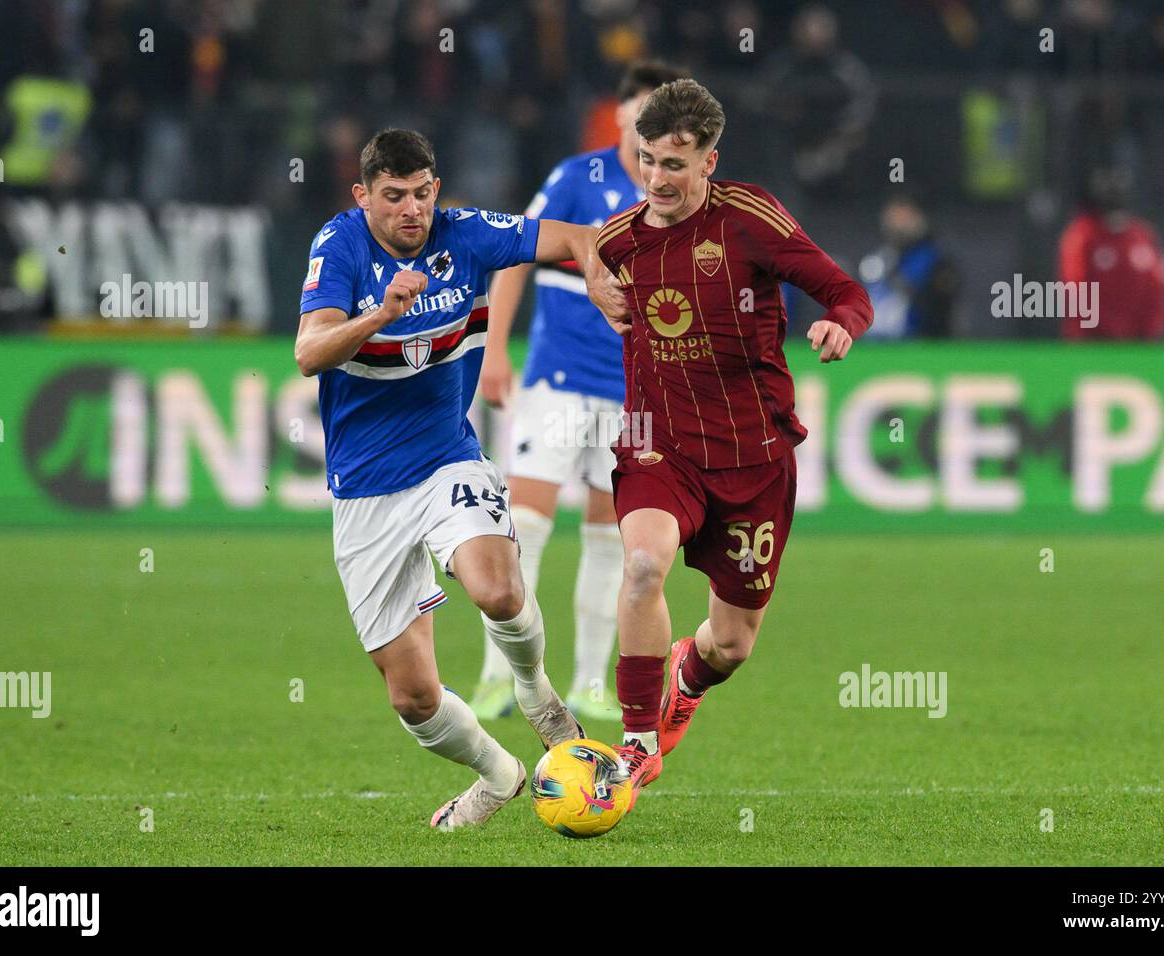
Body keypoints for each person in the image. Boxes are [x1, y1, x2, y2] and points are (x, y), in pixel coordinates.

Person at [294, 128, 625, 829]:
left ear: (435, 189)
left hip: (448, 460)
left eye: (420, 193)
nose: (409, 210)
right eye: (392, 197)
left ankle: (536, 691)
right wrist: (381, 313)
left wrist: (595, 270)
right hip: (365, 490)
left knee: (499, 588)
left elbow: (576, 237)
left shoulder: (468, 234)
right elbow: (309, 352)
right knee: (412, 696)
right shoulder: (342, 246)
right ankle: (499, 773)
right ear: (364, 196)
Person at [593, 79, 873, 805]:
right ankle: (635, 745)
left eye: (675, 165)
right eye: (649, 160)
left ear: (709, 164)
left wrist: (841, 323)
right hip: (660, 447)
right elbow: (573, 252)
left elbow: (845, 290)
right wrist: (593, 281)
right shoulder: (618, 243)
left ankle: (686, 678)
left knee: (731, 645)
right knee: (645, 566)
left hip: (753, 458)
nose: (658, 178)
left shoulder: (751, 219)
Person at [470, 60, 689, 725]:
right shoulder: (579, 178)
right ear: (620, 115)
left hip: (636, 394)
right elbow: (514, 252)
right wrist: (495, 347)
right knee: (523, 527)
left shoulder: (676, 196)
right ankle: (498, 677)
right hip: (558, 381)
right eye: (642, 113)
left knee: (610, 537)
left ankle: (592, 680)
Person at [1059, 166, 1164, 339]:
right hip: (1095, 340)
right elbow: (1075, 286)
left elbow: (1156, 286)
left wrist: (1152, 329)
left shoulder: (1141, 235)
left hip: (1138, 339)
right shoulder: (1083, 235)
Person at [859, 193, 959, 339]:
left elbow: (941, 313)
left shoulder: (937, 262)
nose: (897, 223)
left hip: (917, 345)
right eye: (893, 215)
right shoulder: (876, 258)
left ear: (921, 218)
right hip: (874, 346)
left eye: (905, 216)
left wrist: (907, 289)